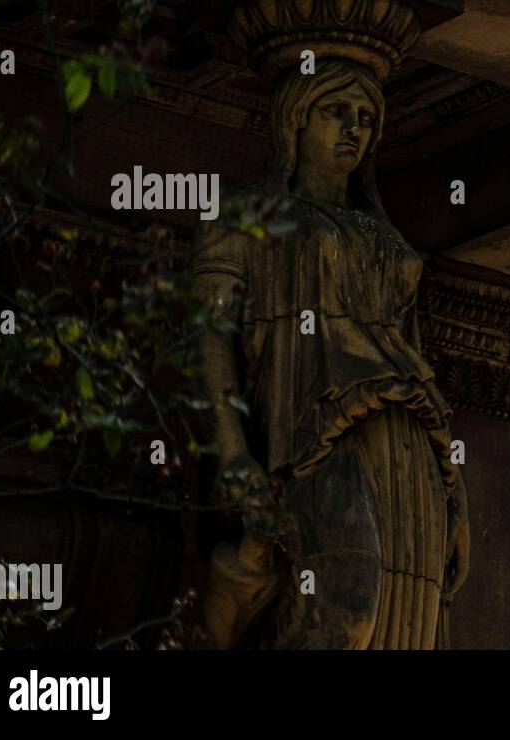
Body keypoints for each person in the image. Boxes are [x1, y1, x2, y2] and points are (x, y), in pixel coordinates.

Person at [195, 58, 468, 649]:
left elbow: (421, 366)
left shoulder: (386, 239)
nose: (353, 129)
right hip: (311, 437)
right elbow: (209, 335)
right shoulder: (245, 220)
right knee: (345, 612)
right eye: (335, 111)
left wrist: (454, 496)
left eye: (366, 118)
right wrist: (233, 454)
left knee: (408, 626)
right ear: (294, 119)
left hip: (405, 445)